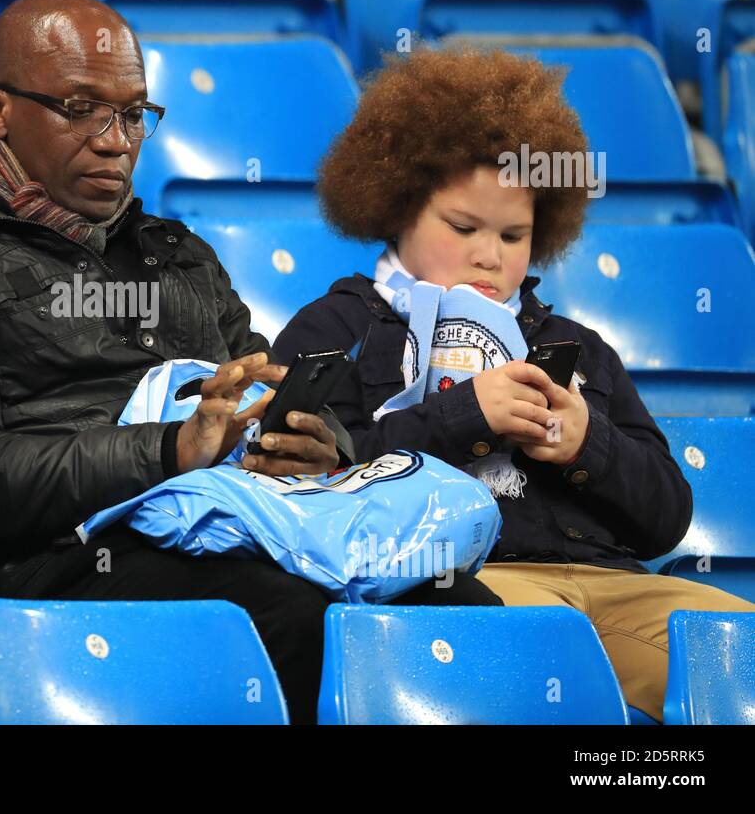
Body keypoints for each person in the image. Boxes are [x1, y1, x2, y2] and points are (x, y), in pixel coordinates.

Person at [0, 0, 500, 724]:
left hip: (236, 521)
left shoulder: (178, 254)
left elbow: (268, 395)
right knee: (286, 615)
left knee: (463, 606)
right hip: (60, 552)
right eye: (80, 107)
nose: (115, 140)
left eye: (132, 115)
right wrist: (169, 451)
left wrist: (316, 447)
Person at [274, 45, 755, 720]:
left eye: (514, 234)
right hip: (468, 582)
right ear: (396, 208)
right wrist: (465, 415)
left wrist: (591, 445)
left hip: (615, 583)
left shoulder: (578, 346)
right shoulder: (338, 326)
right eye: (463, 226)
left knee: (742, 658)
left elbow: (667, 519)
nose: (488, 255)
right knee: (544, 678)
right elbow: (311, 490)